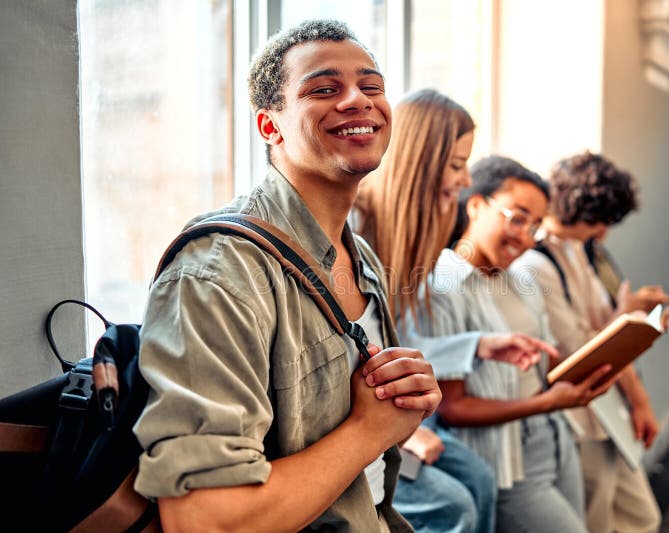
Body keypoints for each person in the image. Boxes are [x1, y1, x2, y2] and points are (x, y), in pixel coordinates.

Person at [132, 20, 441, 532]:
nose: (357, 100)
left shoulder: (359, 255)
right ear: (269, 126)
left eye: (371, 86)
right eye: (323, 89)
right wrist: (370, 429)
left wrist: (403, 399)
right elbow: (204, 520)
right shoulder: (220, 272)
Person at [357, 89, 544, 533]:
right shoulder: (359, 231)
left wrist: (480, 345)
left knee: (478, 477)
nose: (465, 182)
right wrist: (404, 434)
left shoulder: (411, 241)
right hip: (371, 422)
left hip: (392, 417)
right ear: (421, 162)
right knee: (454, 504)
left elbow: (399, 345)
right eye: (457, 166)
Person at [415, 155, 619, 533]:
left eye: (535, 225)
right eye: (518, 218)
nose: (525, 238)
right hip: (506, 460)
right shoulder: (444, 286)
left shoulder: (520, 281)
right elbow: (453, 407)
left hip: (554, 438)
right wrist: (544, 403)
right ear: (476, 205)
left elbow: (543, 360)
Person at [512, 151, 669, 533]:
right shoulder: (533, 265)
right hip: (578, 409)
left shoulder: (573, 249)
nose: (603, 233)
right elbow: (582, 346)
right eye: (599, 222)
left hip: (607, 401)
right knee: (597, 518)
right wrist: (626, 315)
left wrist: (633, 315)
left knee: (641, 517)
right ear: (578, 211)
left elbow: (602, 324)